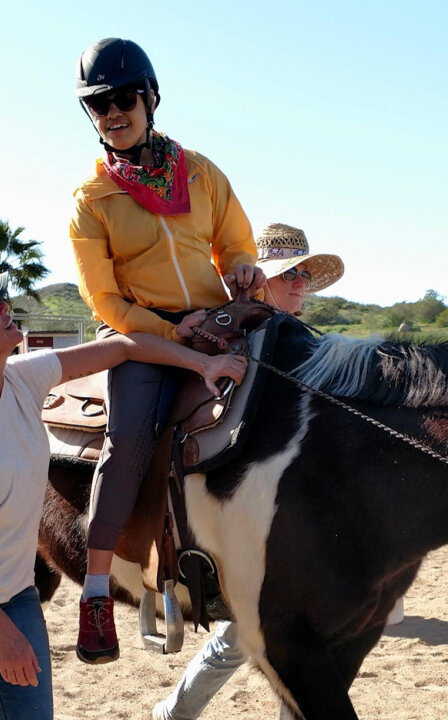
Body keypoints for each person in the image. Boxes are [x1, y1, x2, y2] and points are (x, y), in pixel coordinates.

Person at [0, 274, 247, 720]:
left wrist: (198, 364)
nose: (5, 306)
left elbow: (123, 348)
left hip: (9, 593)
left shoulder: (24, 378)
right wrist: (3, 634)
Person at [69, 37, 265, 663]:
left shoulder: (203, 173)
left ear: (150, 98)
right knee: (128, 443)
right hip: (139, 330)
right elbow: (104, 301)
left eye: (123, 98)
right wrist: (169, 332)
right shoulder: (89, 202)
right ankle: (97, 593)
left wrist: (241, 269)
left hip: (216, 315)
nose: (113, 113)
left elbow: (235, 241)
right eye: (98, 106)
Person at [151, 223, 343, 720]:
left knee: (263, 637)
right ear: (261, 279)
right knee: (253, 636)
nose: (300, 282)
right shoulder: (235, 334)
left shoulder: (304, 345)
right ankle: (173, 712)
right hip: (255, 516)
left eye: (303, 274)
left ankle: (173, 713)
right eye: (289, 274)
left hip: (295, 517)